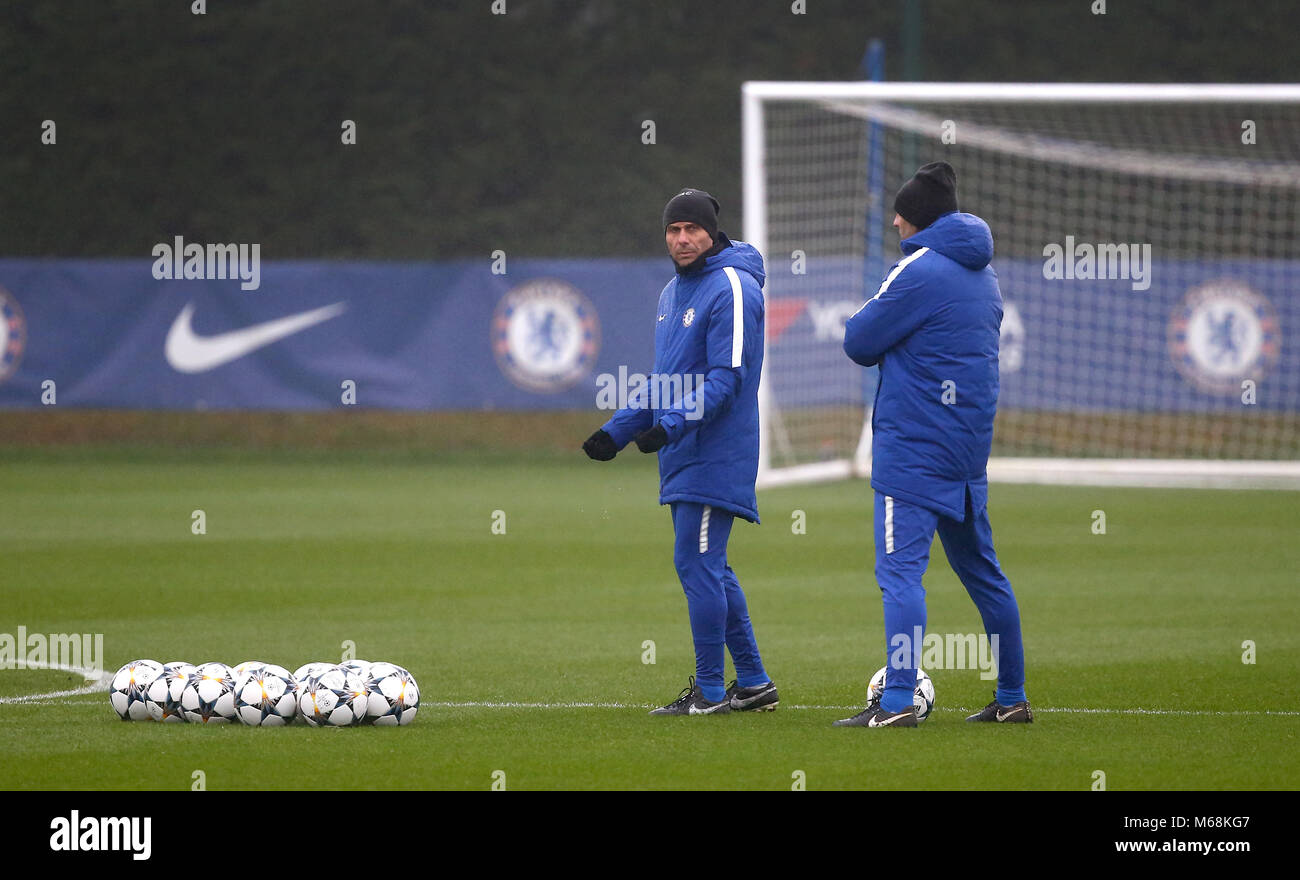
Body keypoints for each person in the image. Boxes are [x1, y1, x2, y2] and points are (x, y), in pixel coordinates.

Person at [837, 162, 1030, 727]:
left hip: (914, 452)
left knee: (900, 575)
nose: (894, 220)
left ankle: (897, 702)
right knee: (984, 573)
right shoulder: (983, 272)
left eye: (900, 211)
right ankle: (1012, 697)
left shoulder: (919, 269)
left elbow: (857, 340)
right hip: (965, 453)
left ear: (916, 219)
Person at [582, 188, 777, 716]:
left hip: (717, 452)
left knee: (695, 563)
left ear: (713, 233)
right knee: (711, 567)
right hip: (683, 452)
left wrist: (669, 427)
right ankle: (754, 683)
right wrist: (618, 430)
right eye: (674, 229)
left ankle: (711, 692)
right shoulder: (672, 292)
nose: (682, 238)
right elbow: (664, 380)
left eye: (692, 228)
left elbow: (727, 380)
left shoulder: (734, 287)